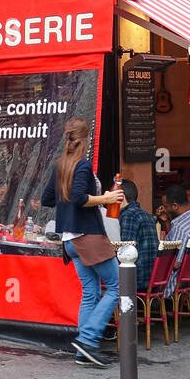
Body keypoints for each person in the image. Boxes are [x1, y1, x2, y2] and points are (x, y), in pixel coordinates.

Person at [41, 117, 123, 366]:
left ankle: (82, 351)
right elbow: (78, 198)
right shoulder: (83, 165)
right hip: (88, 237)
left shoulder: (60, 165)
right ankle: (87, 339)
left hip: (69, 240)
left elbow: (47, 199)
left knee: (90, 292)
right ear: (86, 139)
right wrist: (106, 198)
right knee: (117, 286)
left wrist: (68, 203)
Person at [118, 180, 158, 293]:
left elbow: (125, 252)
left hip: (137, 278)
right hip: (152, 277)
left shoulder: (128, 215)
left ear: (121, 197)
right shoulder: (146, 215)